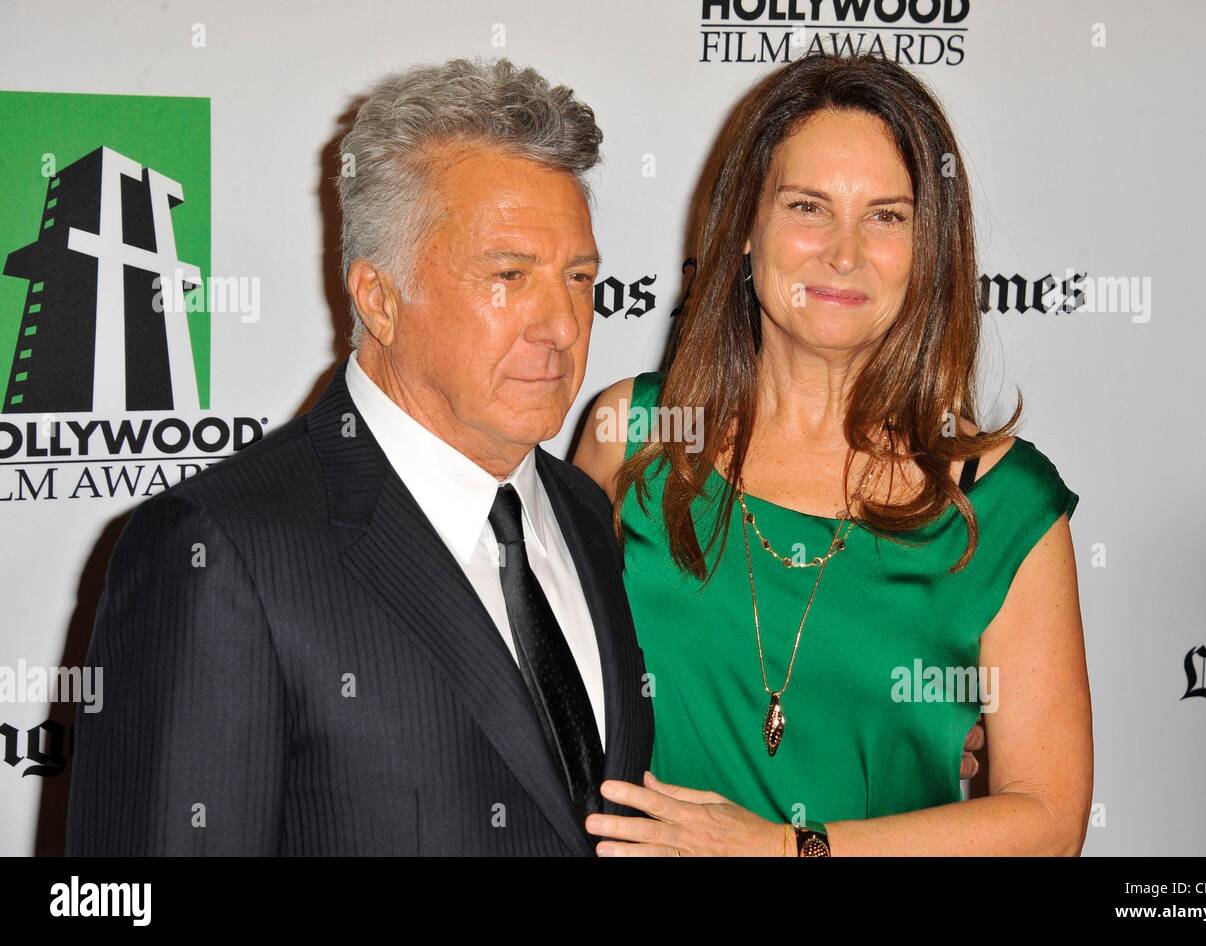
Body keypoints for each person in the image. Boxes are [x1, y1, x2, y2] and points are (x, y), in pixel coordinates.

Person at [65, 58, 653, 856]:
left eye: (579, 277)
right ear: (379, 297)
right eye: (508, 276)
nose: (561, 324)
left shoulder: (583, 512)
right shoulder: (221, 551)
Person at [573, 52, 1092, 856]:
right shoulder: (634, 436)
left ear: (928, 251)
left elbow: (1049, 823)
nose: (843, 253)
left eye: (887, 216)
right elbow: (530, 678)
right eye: (809, 206)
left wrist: (788, 852)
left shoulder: (1002, 505)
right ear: (746, 226)